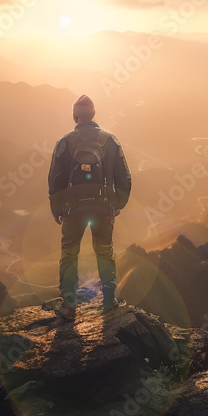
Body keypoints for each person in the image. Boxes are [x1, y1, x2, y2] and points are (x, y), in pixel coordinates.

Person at [44, 95, 131, 320]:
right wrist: (118, 204)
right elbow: (124, 176)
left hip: (73, 210)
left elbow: (55, 178)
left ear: (75, 116)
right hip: (104, 208)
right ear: (93, 115)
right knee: (104, 251)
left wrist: (57, 208)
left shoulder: (64, 142)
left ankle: (69, 306)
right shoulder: (111, 140)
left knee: (70, 253)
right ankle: (109, 302)